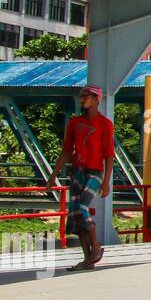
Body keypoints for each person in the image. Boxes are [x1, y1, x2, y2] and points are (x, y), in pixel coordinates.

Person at [46, 85, 115, 271]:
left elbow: (109, 154)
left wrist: (106, 181)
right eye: (81, 96)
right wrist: (54, 175)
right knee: (76, 216)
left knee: (82, 208)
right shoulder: (75, 123)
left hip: (94, 172)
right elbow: (66, 150)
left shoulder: (105, 124)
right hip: (77, 171)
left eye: (85, 96)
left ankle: (97, 247)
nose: (82, 99)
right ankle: (88, 259)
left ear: (95, 99)